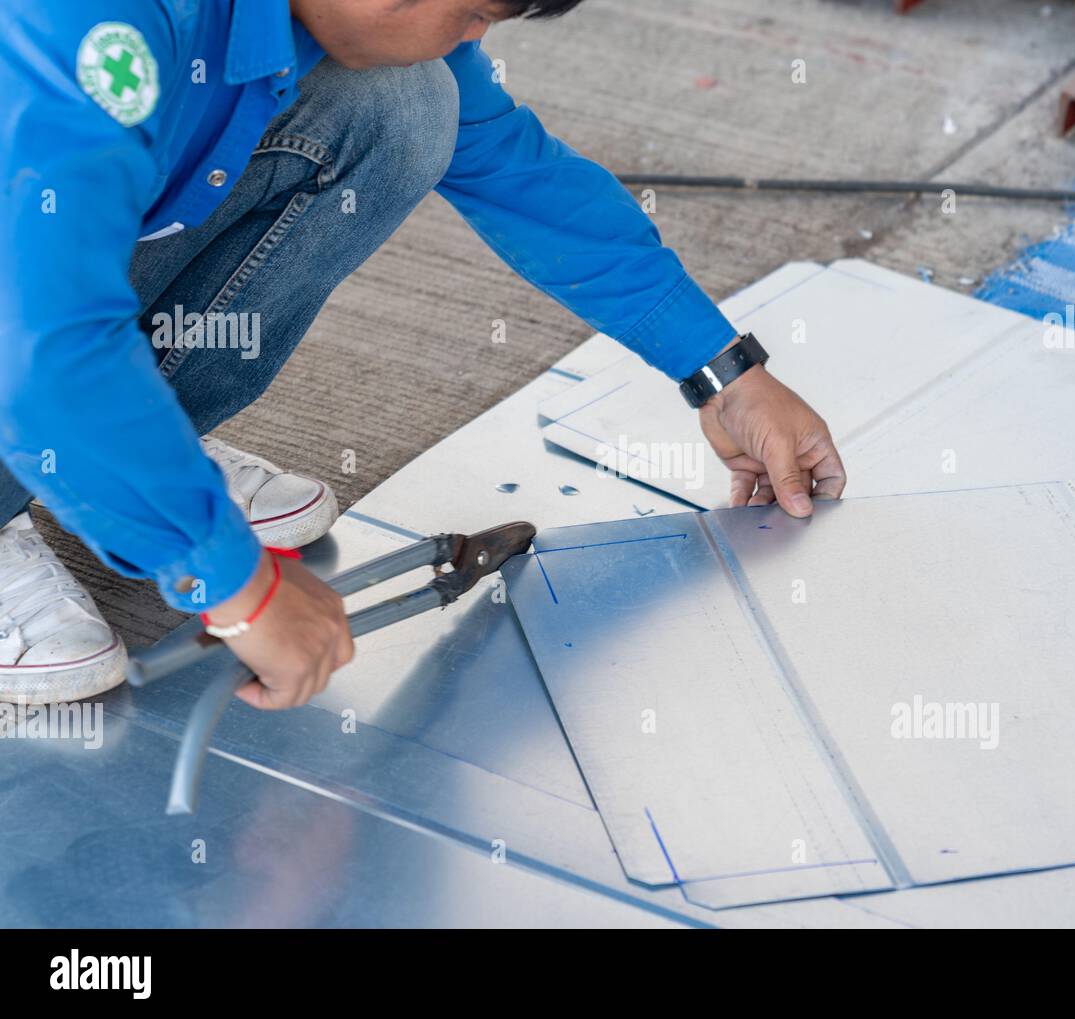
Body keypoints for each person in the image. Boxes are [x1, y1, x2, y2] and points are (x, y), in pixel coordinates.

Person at [0, 0, 847, 709]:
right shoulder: (92, 23)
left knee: (407, 105)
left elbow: (517, 171)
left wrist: (724, 372)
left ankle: (127, 456)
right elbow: (45, 333)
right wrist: (235, 583)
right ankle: (65, 471)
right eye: (474, 11)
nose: (473, 38)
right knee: (47, 305)